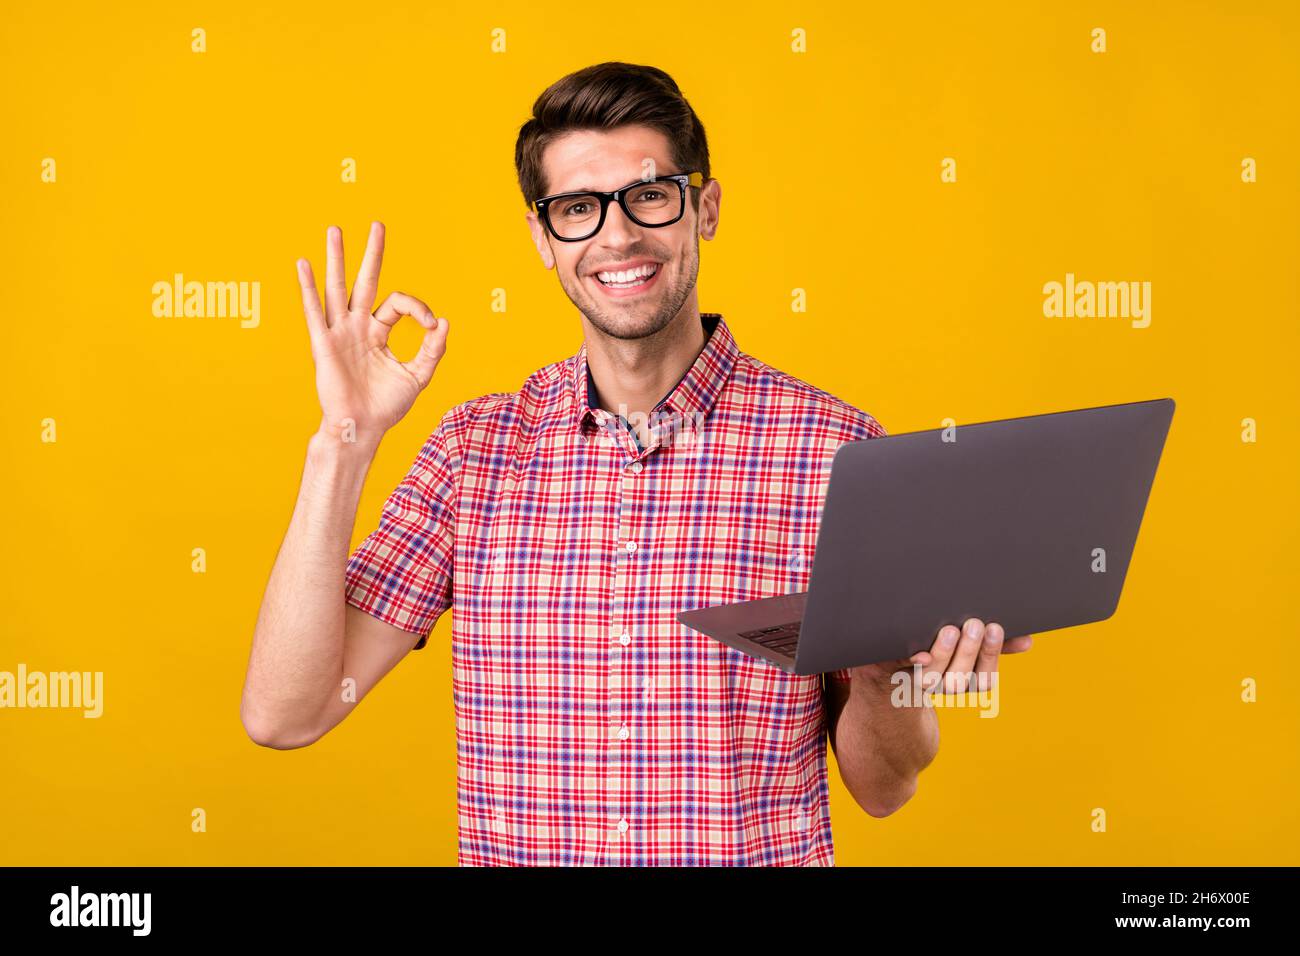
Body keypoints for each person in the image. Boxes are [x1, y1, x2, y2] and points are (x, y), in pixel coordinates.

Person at [240, 61, 1033, 866]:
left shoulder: (836, 451)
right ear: (543, 240)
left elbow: (884, 787)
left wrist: (885, 674)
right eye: (578, 209)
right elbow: (285, 715)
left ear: (705, 207)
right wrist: (343, 438)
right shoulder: (473, 454)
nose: (617, 236)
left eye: (648, 194)